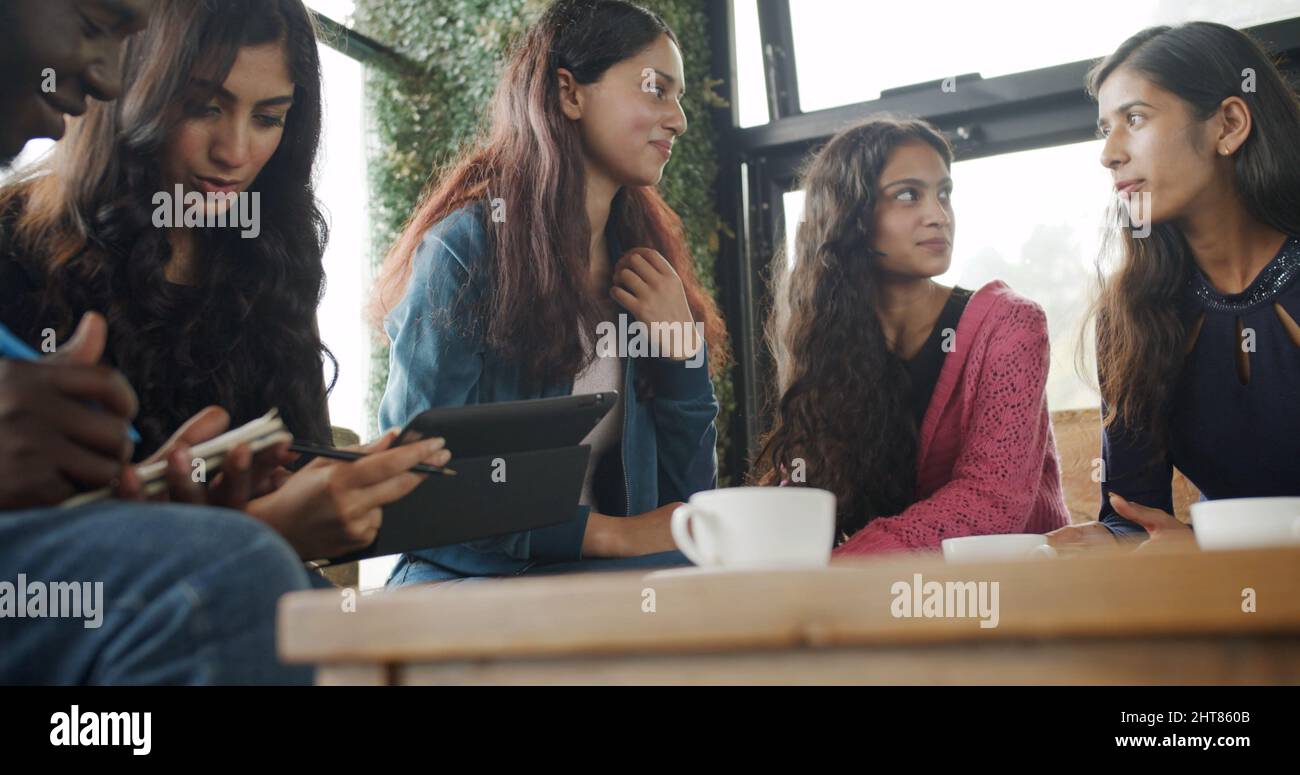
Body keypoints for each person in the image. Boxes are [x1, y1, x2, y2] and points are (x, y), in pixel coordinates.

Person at [371, 0, 729, 582]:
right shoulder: (465, 252)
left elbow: (684, 504)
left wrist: (684, 356)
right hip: (464, 583)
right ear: (570, 93)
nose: (679, 120)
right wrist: (610, 534)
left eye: (679, 97)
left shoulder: (644, 269)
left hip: (605, 585)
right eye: (656, 90)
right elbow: (417, 487)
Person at [754, 116, 1069, 554]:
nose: (938, 216)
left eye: (944, 194)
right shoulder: (830, 339)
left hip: (1009, 598)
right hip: (890, 604)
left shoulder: (1011, 325)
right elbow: (809, 487)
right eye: (908, 195)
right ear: (851, 215)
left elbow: (993, 501)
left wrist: (846, 565)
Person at [1047, 22, 1300, 552]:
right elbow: (1134, 514)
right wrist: (1109, 544)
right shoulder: (1133, 312)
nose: (1109, 154)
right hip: (1238, 606)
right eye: (1104, 129)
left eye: (1134, 119)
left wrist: (1204, 549)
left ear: (1228, 124)